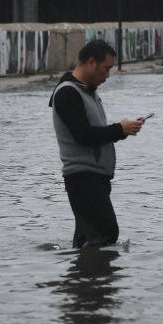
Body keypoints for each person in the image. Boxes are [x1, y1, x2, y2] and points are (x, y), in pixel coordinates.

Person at [49, 39, 145, 248]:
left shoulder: (87, 91)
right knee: (106, 234)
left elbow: (95, 134)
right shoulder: (68, 93)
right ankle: (96, 278)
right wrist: (119, 129)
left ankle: (83, 278)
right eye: (106, 68)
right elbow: (83, 136)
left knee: (87, 240)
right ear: (91, 62)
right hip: (83, 179)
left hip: (94, 179)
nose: (108, 75)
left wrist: (123, 131)